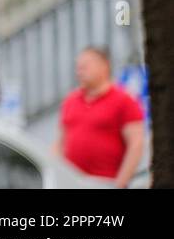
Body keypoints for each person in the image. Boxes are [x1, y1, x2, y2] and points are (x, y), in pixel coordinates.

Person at [53, 46, 146, 187]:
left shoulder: (125, 100)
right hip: (72, 182)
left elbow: (136, 145)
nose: (79, 72)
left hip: (105, 183)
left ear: (104, 66)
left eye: (85, 67)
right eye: (78, 67)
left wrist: (120, 183)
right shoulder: (70, 101)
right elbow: (60, 143)